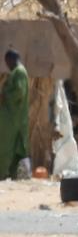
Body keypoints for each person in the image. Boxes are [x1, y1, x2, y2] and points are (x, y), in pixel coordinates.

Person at [0, 50, 29, 180]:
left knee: (5, 147)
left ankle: (3, 173)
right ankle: (12, 174)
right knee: (13, 148)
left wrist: (4, 95)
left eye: (7, 62)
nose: (7, 65)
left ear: (11, 59)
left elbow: (19, 92)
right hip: (12, 118)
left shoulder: (19, 72)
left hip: (13, 119)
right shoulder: (17, 72)